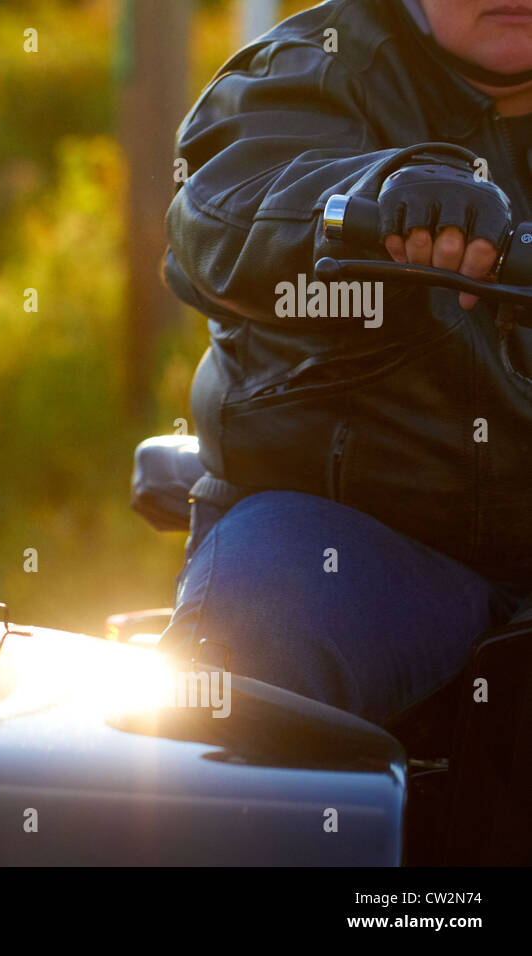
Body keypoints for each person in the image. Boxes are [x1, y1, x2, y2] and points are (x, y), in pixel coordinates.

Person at [161, 0, 532, 724]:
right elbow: (226, 210)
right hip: (358, 541)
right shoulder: (313, 66)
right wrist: (379, 194)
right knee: (242, 664)